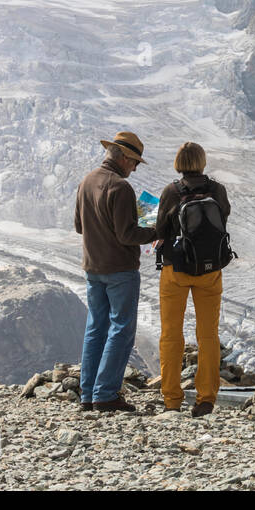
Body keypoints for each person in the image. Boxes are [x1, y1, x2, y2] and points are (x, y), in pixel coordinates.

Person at [74, 131, 157, 413]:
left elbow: (79, 226)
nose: (134, 168)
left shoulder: (86, 181)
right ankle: (106, 394)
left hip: (92, 267)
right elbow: (127, 234)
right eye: (134, 162)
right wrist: (157, 231)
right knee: (121, 330)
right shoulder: (120, 188)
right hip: (120, 269)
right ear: (123, 158)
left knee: (96, 328)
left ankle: (88, 394)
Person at [155, 142, 230, 417]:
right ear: (202, 161)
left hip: (176, 270)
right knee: (208, 334)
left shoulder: (171, 191)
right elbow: (224, 218)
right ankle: (206, 399)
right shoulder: (217, 190)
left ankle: (172, 400)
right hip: (210, 270)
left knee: (171, 334)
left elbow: (160, 228)